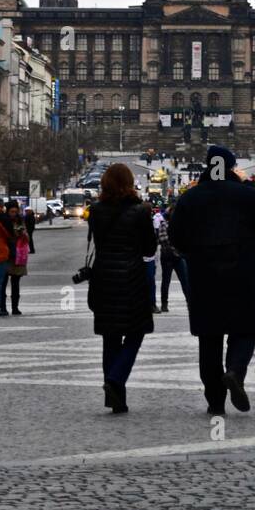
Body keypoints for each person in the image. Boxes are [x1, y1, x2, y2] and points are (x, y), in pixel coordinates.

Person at [169, 145, 255, 415]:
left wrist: (193, 252)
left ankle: (215, 401)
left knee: (209, 339)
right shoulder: (244, 194)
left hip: (204, 276)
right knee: (246, 329)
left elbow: (176, 237)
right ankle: (236, 372)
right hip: (242, 275)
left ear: (208, 165)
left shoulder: (191, 197)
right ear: (229, 167)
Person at [87, 163, 157, 414]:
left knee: (110, 336)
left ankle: (115, 397)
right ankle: (115, 380)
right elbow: (149, 248)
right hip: (131, 278)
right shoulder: (140, 211)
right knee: (136, 332)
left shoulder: (95, 211)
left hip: (104, 276)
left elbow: (99, 243)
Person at [157, 204, 188, 313]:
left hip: (176, 256)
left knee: (184, 280)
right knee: (166, 281)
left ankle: (190, 302)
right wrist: (178, 250)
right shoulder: (164, 224)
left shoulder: (179, 226)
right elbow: (164, 240)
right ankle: (164, 304)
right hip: (168, 257)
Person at [1, 201, 29, 315]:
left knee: (15, 283)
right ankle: (2, 307)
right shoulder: (3, 221)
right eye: (11, 211)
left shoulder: (20, 221)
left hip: (17, 256)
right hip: (6, 255)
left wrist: (23, 234)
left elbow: (27, 238)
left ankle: (15, 307)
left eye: (15, 211)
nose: (13, 214)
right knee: (3, 283)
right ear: (7, 211)